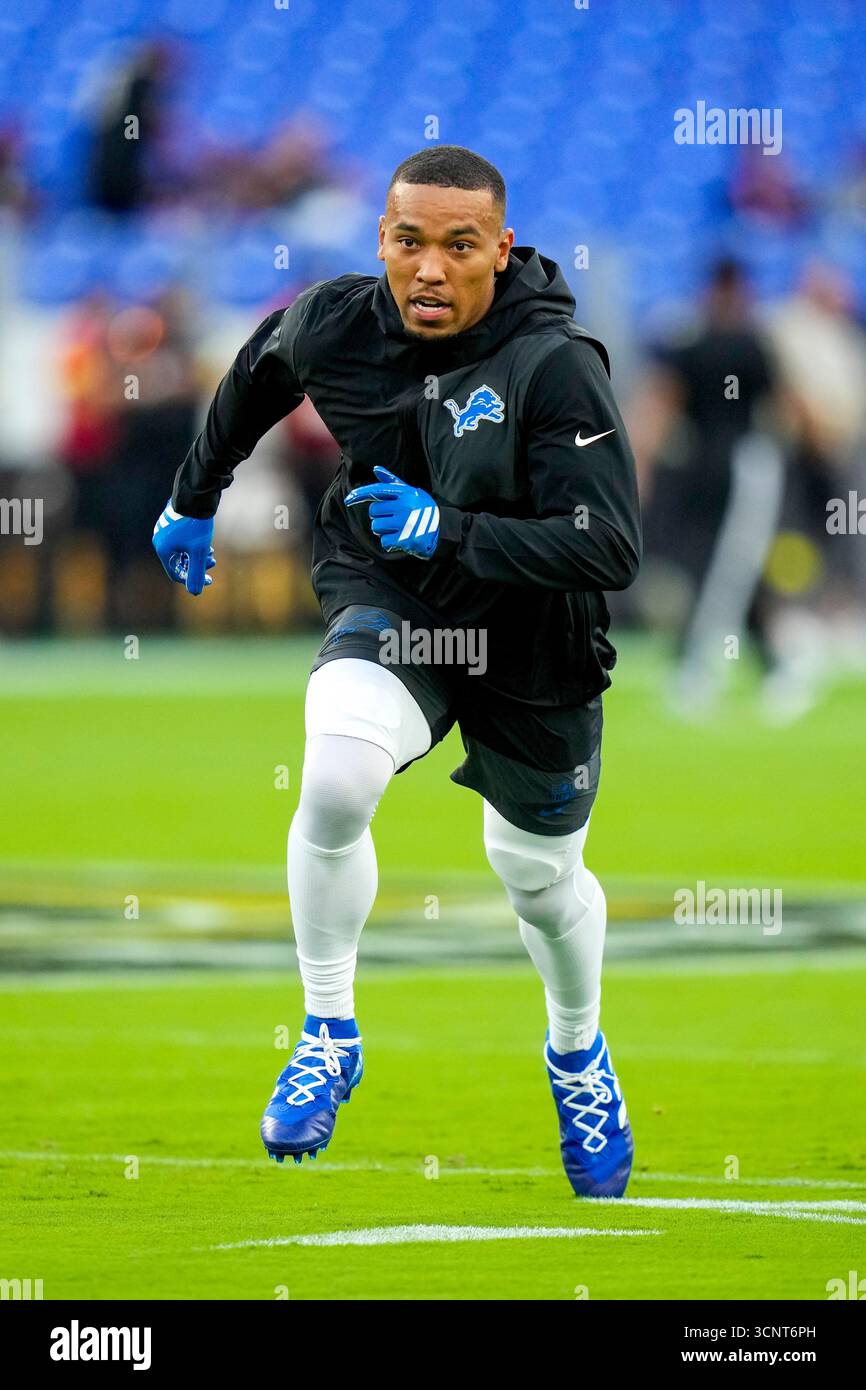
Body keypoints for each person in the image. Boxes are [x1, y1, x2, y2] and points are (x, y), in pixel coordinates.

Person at [152, 146, 641, 1198]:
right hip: (395, 600)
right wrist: (194, 496)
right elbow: (257, 371)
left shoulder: (554, 366)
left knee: (540, 883)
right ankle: (328, 1028)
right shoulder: (337, 317)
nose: (428, 268)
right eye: (407, 241)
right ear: (381, 240)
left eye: (457, 247)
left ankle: (576, 1053)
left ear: (498, 251)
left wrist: (450, 526)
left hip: (531, 637)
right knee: (333, 777)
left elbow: (607, 547)